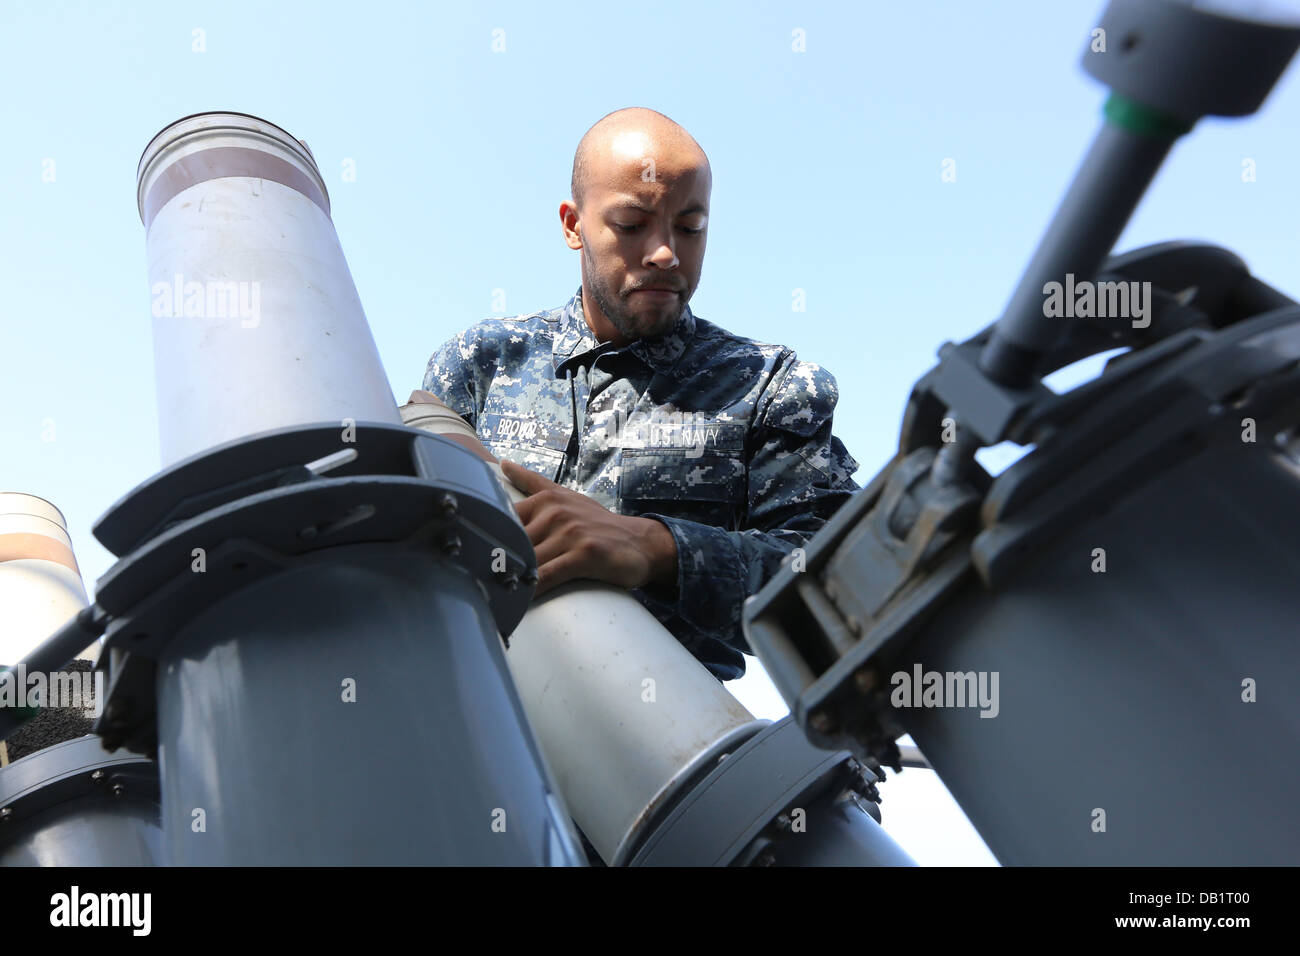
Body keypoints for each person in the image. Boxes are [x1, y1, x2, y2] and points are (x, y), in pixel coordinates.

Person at [421, 107, 858, 682]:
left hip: (673, 750)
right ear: (573, 224)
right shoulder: (483, 361)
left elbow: (843, 595)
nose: (665, 253)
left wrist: (657, 551)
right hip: (477, 720)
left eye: (689, 226)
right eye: (632, 224)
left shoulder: (772, 385)